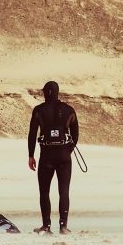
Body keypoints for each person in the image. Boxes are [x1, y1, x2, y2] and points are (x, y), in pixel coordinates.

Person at [27, 80, 78, 234]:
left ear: (47, 92)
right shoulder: (69, 110)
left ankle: (46, 226)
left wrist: (31, 155)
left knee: (44, 191)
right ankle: (63, 226)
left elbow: (32, 134)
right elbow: (75, 134)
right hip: (64, 157)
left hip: (46, 156)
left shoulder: (38, 110)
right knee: (64, 191)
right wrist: (68, 150)